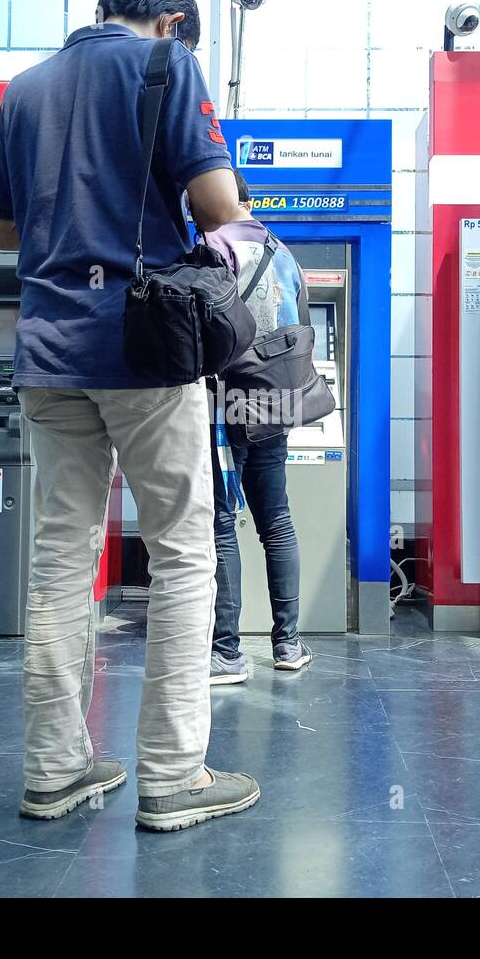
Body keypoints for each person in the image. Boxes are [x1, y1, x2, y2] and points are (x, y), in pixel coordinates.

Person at [0, 0, 260, 832]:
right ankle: (174, 775)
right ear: (174, 20)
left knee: (61, 556)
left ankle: (55, 767)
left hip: (49, 350)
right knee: (181, 550)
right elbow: (220, 205)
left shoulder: (24, 89)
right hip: (145, 348)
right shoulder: (166, 69)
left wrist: (70, 218)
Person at [203, 171, 313, 685]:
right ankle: (288, 644)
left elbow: (202, 330)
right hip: (275, 403)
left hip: (226, 405)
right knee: (277, 521)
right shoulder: (284, 254)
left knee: (223, 523)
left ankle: (226, 653)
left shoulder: (211, 246)